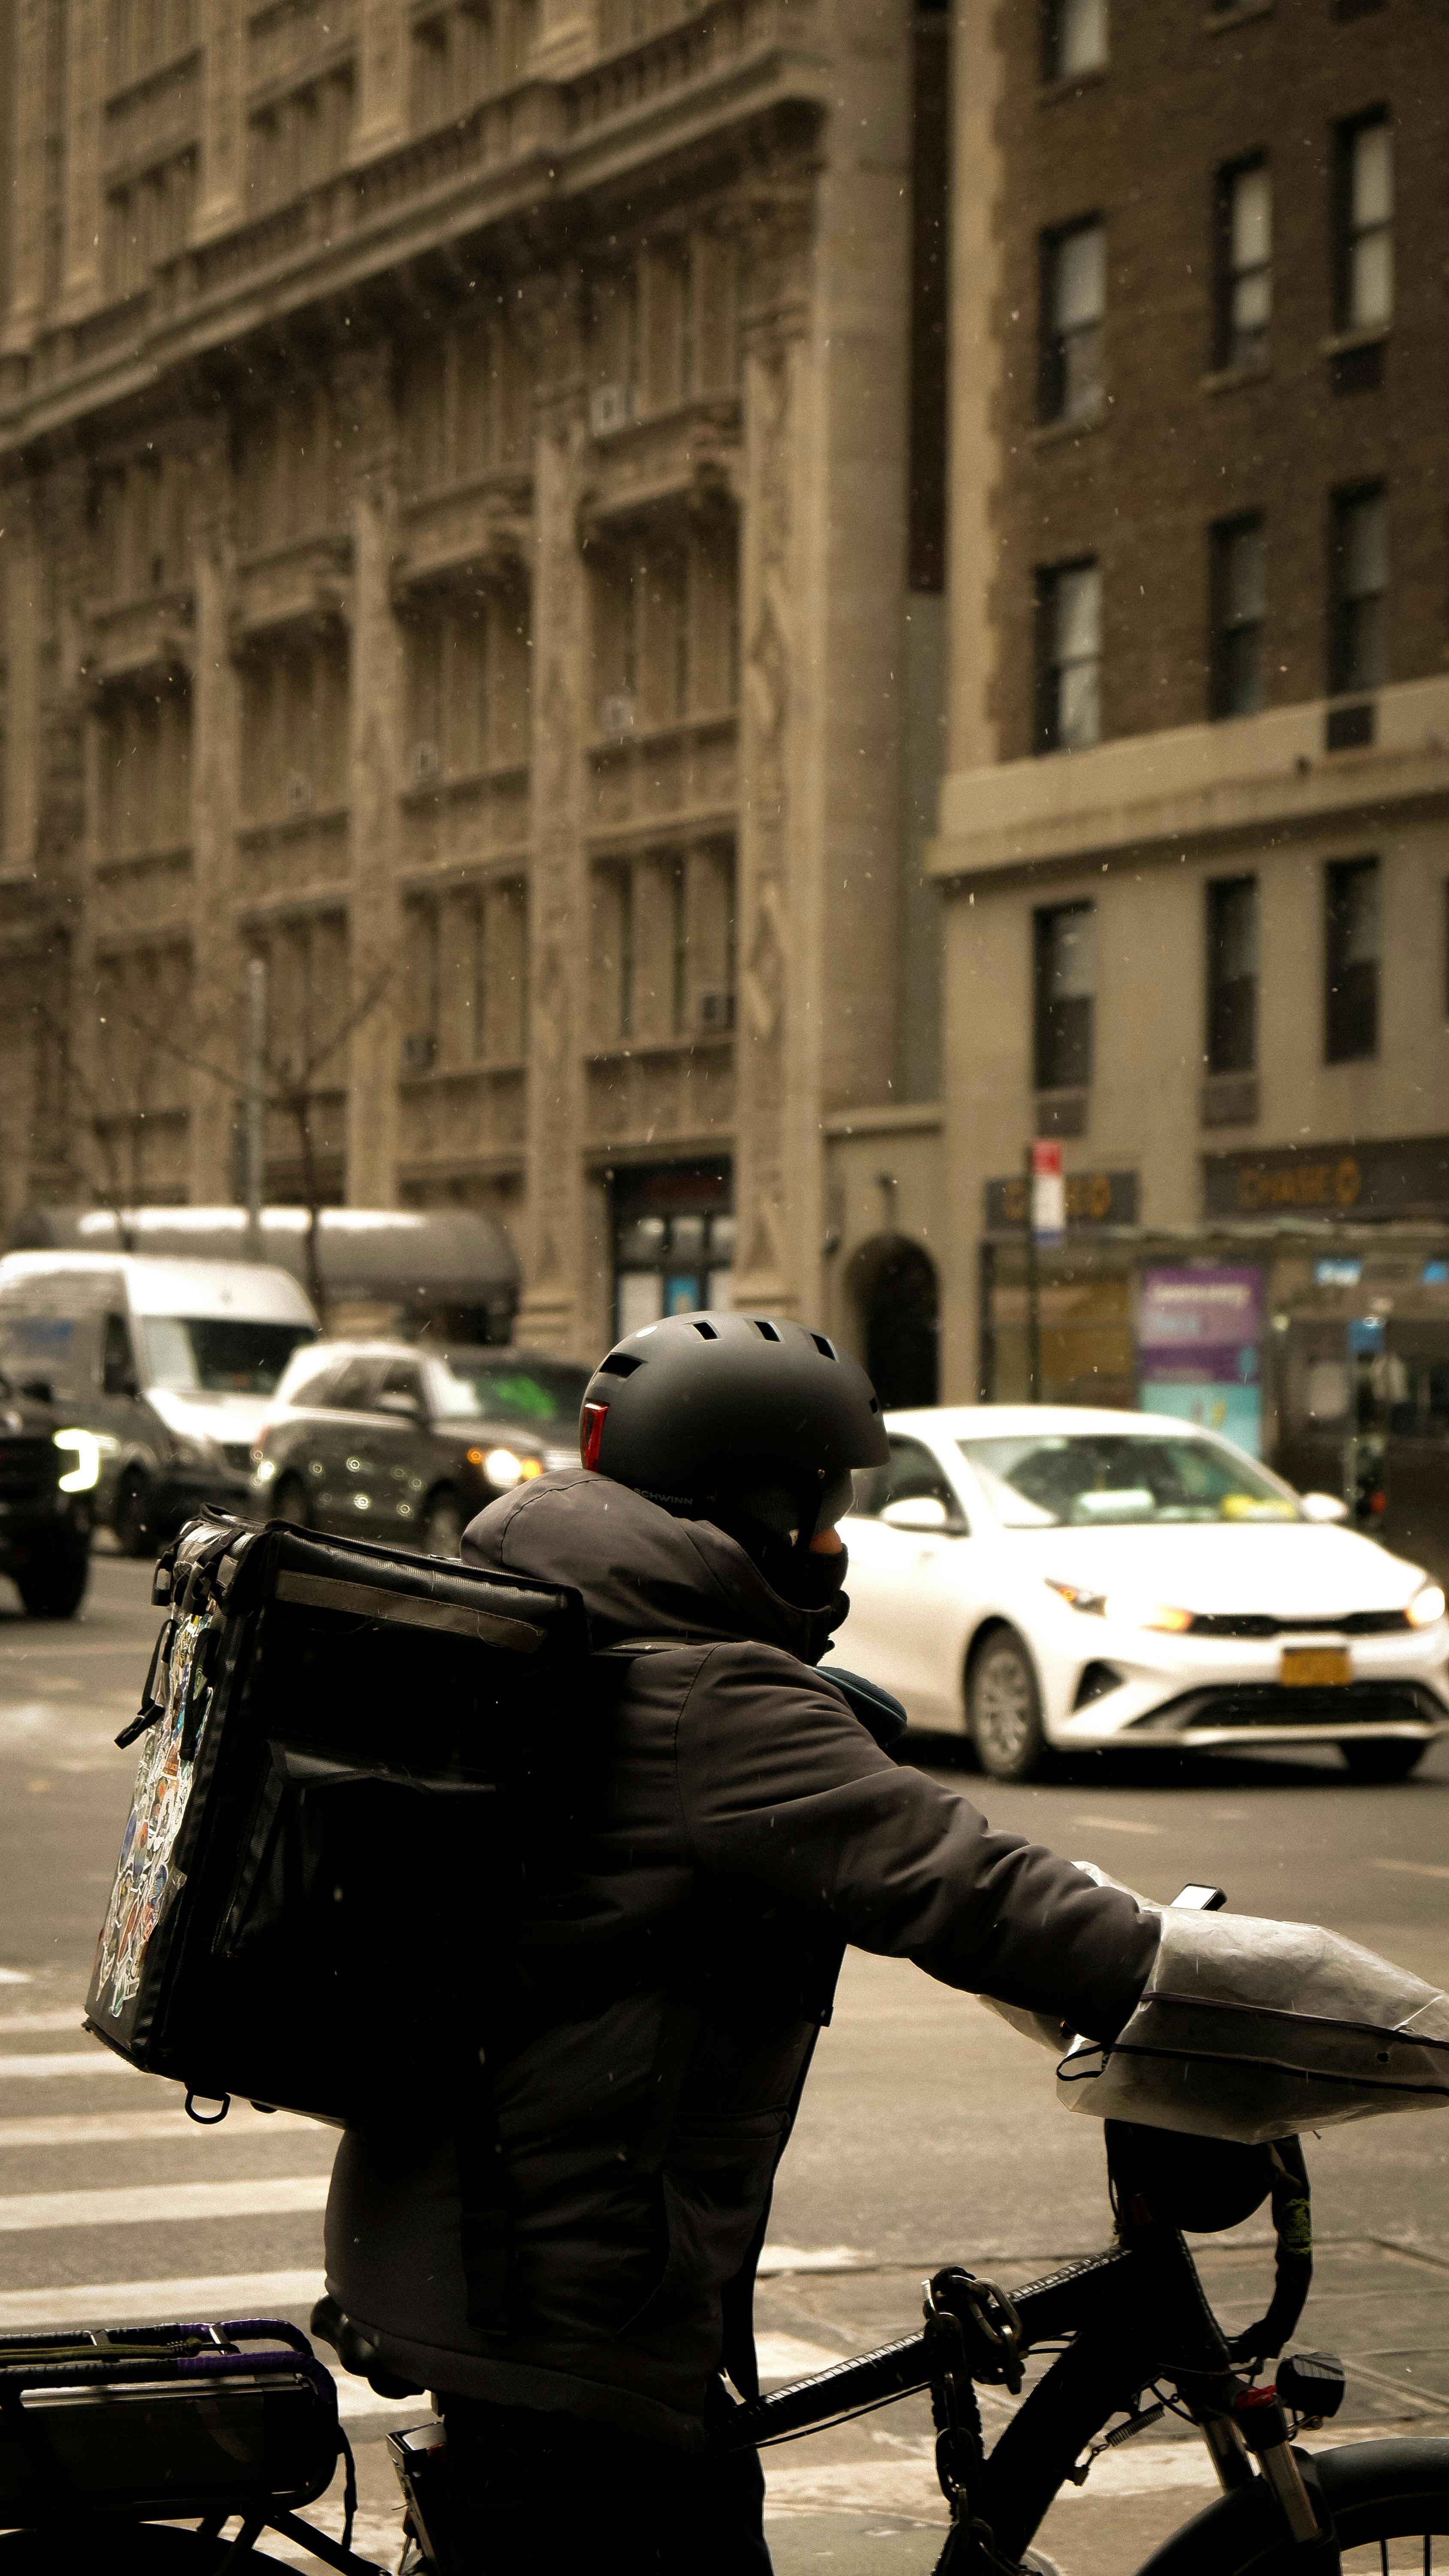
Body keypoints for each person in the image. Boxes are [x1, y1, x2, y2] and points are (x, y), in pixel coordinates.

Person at [323, 1312, 1159, 2571]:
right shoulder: (712, 1697)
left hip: (482, 2252)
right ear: (740, 1509)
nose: (835, 1545)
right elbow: (969, 1890)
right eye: (817, 1509)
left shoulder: (572, 1635)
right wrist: (1215, 1986)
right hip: (568, 2304)